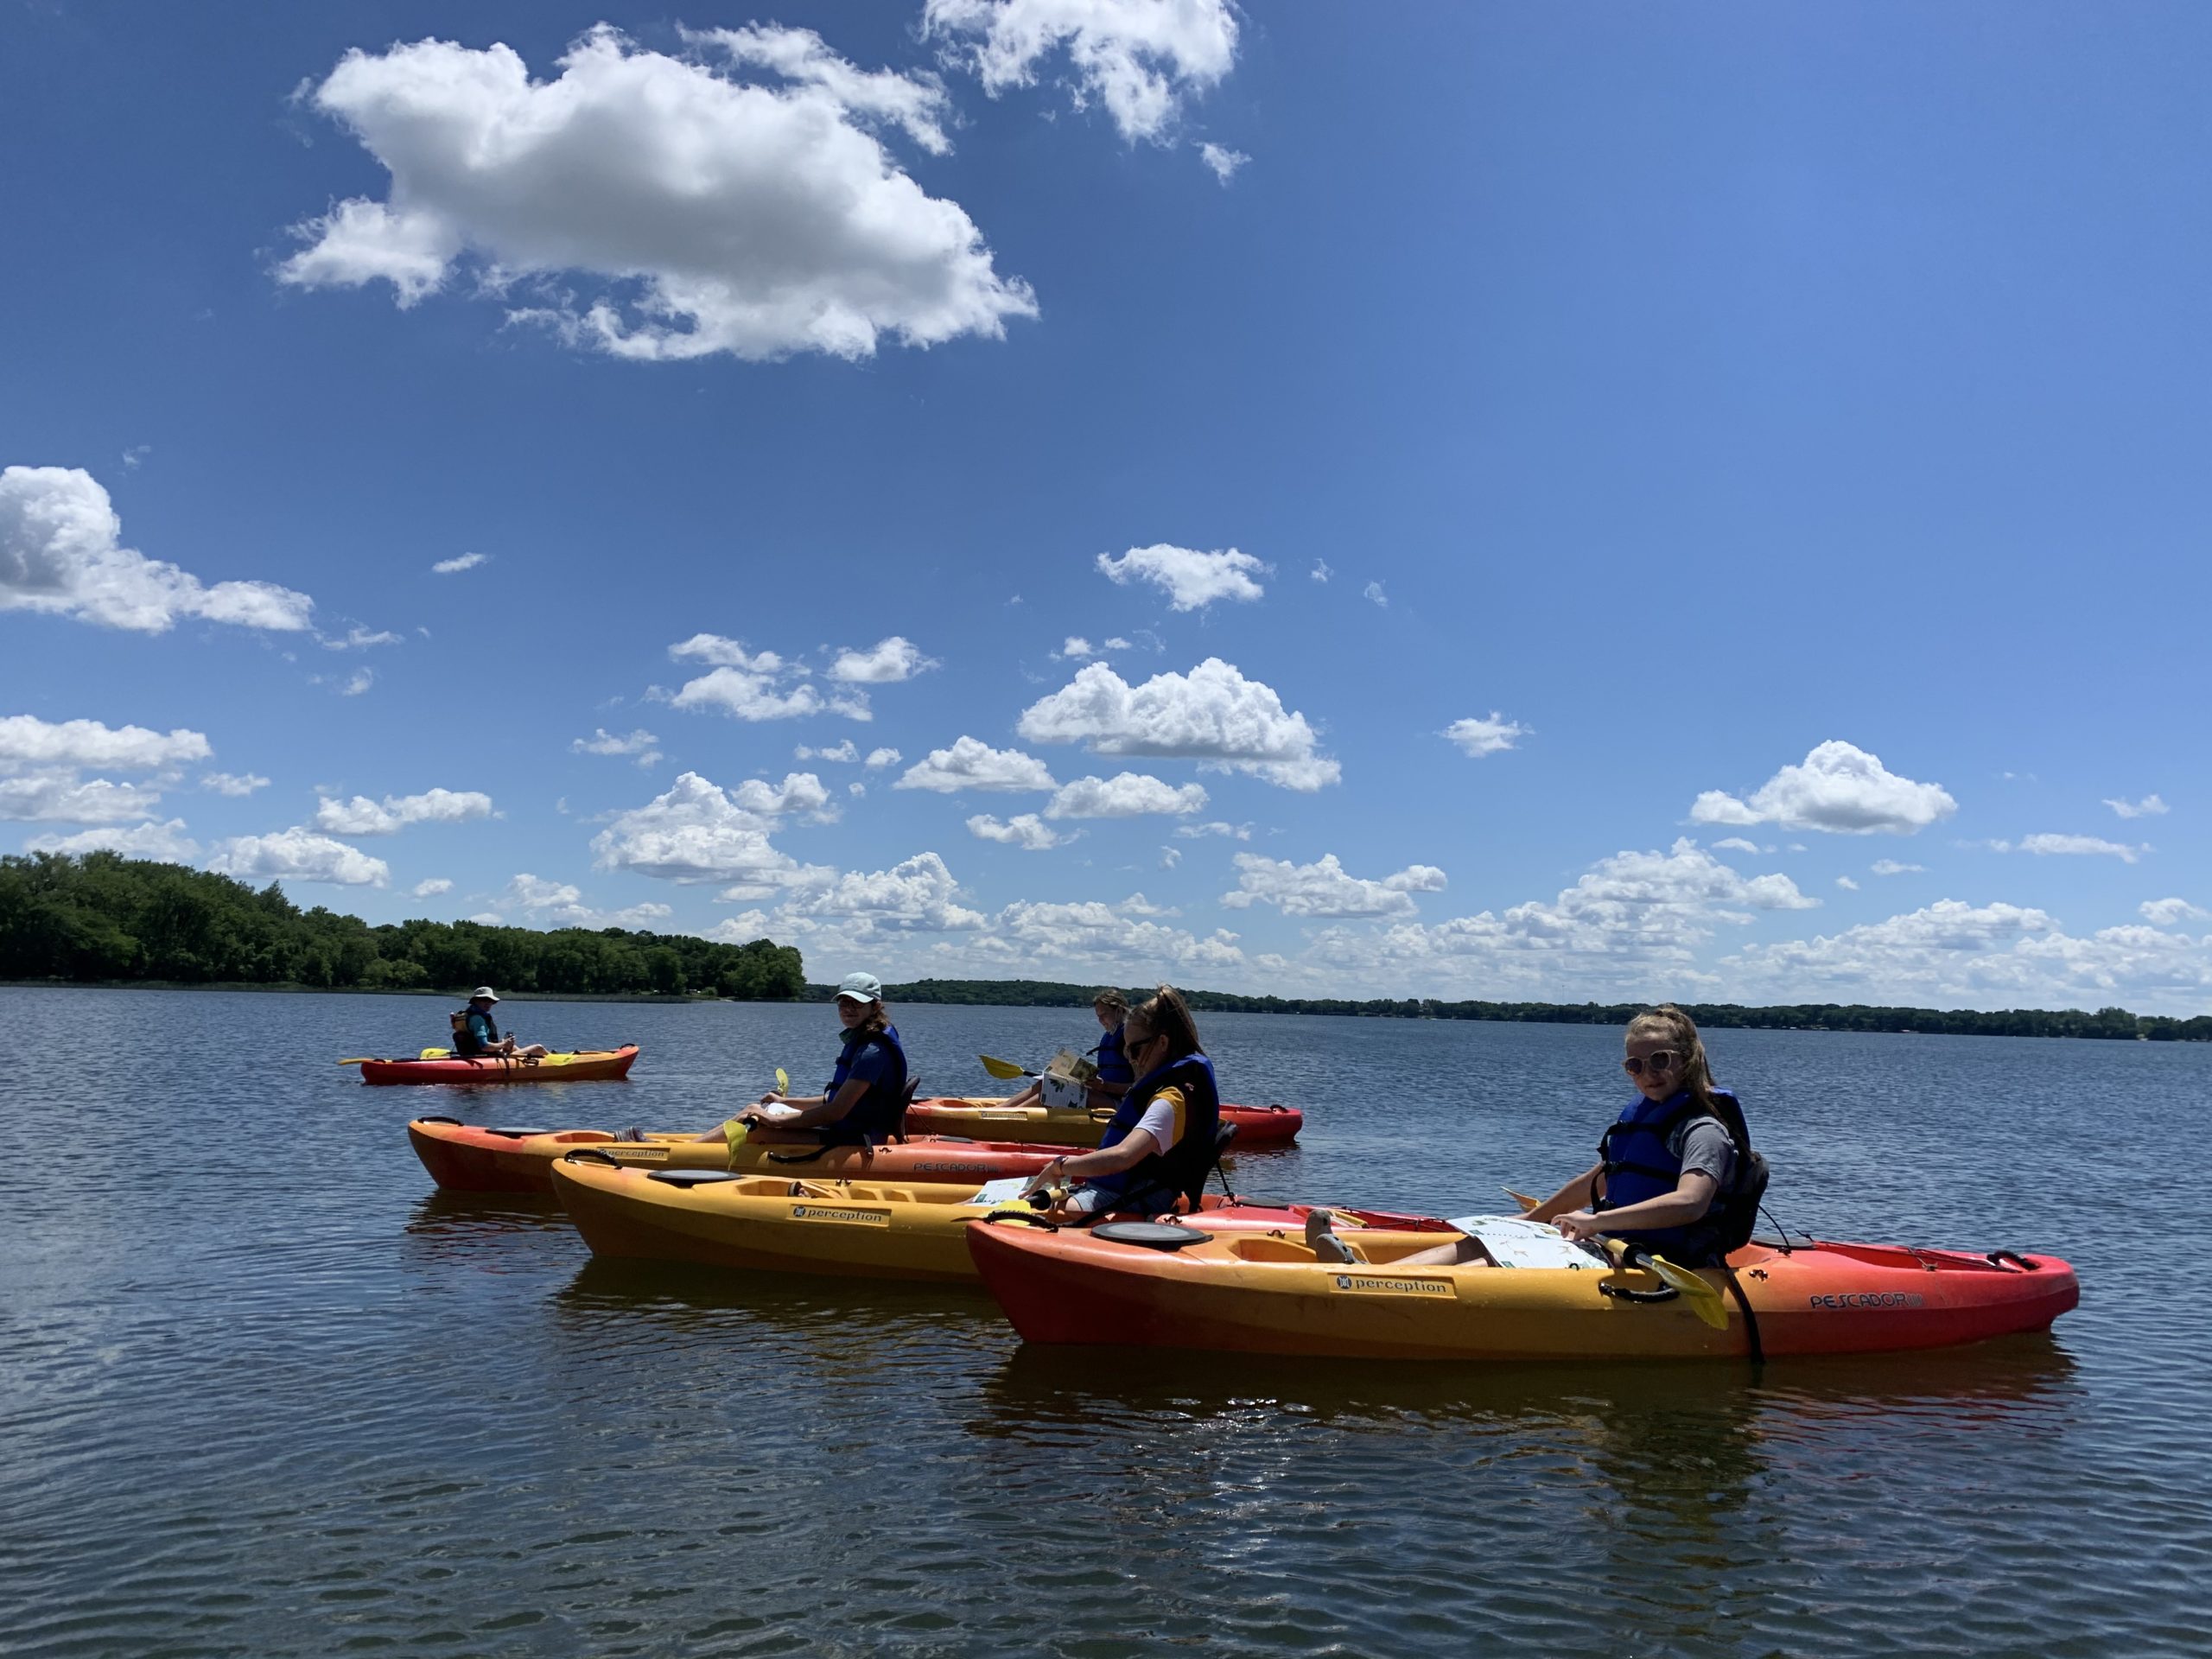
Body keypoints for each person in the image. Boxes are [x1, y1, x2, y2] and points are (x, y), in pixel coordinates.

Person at [1306, 1004, 1761, 1268]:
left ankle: (1379, 1289)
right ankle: (1372, 1276)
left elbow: (1690, 1203)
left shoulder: (1702, 1129)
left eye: (1659, 1060)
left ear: (1686, 1060)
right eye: (1635, 1065)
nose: (1647, 1074)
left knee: (1504, 1260)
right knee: (1489, 1239)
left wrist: (1594, 1222)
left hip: (1656, 1261)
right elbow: (1595, 1182)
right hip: (1615, 1242)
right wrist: (1533, 1219)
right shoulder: (1646, 1118)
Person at [1020, 985, 1222, 1221]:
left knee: (1042, 1213)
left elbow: (1123, 1156)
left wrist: (1060, 1166)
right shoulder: (1168, 1087)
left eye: (1134, 1050)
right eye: (1126, 1050)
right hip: (1119, 1190)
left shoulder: (1171, 1099)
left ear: (1163, 1043)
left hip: (1135, 1198)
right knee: (1032, 1195)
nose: (1130, 1058)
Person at [709, 972, 909, 1147]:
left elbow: (835, 1112)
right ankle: (688, 1149)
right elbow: (834, 1099)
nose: (848, 1008)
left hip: (854, 1139)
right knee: (752, 1110)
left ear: (875, 1006)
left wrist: (774, 1121)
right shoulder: (865, 1041)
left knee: (754, 1130)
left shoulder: (872, 1053)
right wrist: (784, 1101)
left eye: (857, 1002)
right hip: (845, 1130)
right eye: (843, 1002)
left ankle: (685, 1156)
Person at [999, 989, 1137, 1112]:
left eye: (1103, 1015)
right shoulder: (1110, 1035)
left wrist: (1105, 1086)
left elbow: (1140, 1086)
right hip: (1104, 1094)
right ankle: (997, 1111)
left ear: (1119, 1011)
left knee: (1052, 1094)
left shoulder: (1130, 1040)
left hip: (1122, 1104)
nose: (1100, 1021)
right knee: (1045, 1083)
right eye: (1098, 1016)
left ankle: (1004, 1119)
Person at [449, 988, 548, 1061]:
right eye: (483, 1000)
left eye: (490, 1001)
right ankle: (556, 1062)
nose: (488, 1003)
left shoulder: (465, 1016)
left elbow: (466, 1034)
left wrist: (504, 1044)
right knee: (538, 1048)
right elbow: (485, 1047)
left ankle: (532, 1059)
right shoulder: (478, 1019)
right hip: (485, 1056)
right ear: (475, 1001)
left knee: (512, 1047)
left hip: (470, 1053)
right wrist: (504, 1043)